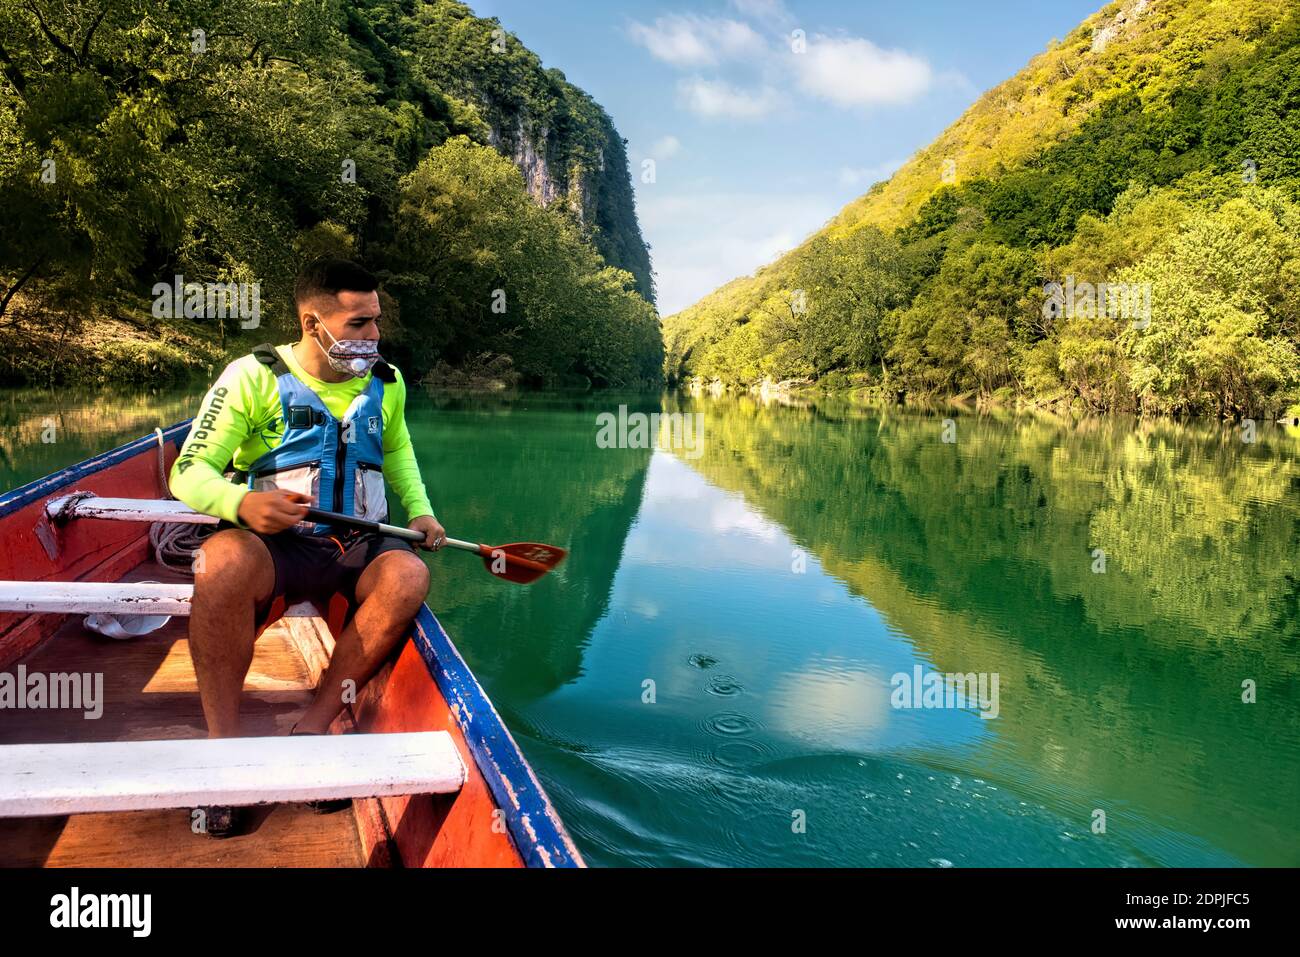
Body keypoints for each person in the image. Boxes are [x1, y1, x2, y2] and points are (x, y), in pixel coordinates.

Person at [168, 258, 446, 836]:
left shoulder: (387, 382)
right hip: (277, 545)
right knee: (217, 562)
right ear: (311, 321)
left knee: (409, 577)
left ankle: (313, 729)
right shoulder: (251, 376)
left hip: (358, 545)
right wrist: (239, 504)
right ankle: (224, 757)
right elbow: (189, 471)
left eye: (375, 322)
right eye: (357, 324)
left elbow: (397, 452)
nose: (373, 336)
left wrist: (420, 509)